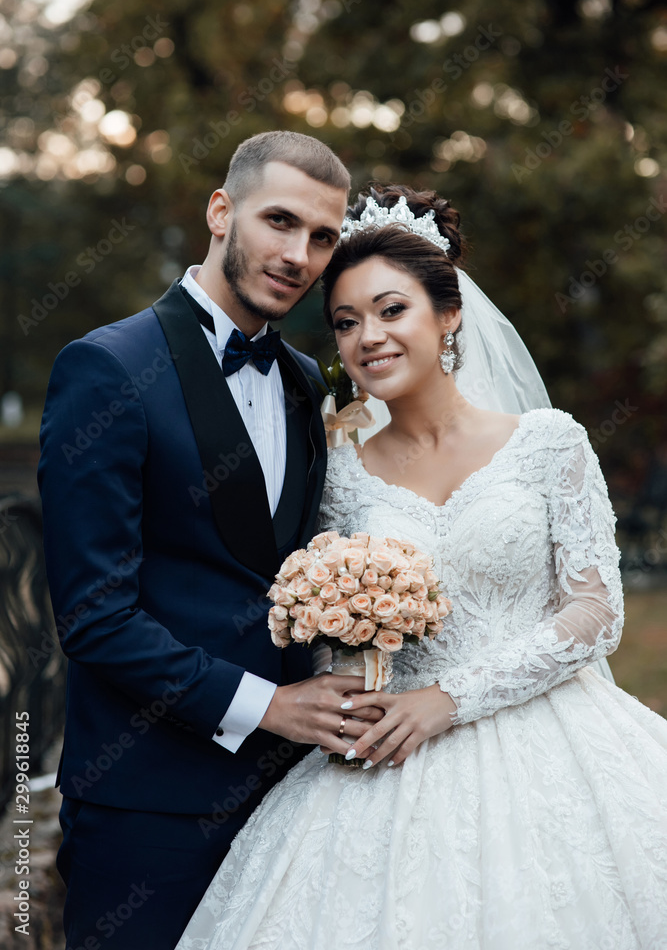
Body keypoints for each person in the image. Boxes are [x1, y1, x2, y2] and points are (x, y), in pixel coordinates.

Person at [176, 185, 667, 949]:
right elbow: (328, 627)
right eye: (346, 322)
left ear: (449, 314)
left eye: (390, 310)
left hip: (550, 737)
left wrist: (449, 700)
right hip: (387, 746)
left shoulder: (548, 442)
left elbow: (594, 613)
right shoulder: (338, 473)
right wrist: (347, 679)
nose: (367, 337)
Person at [37, 131, 386, 949]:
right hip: (148, 807)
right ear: (221, 212)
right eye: (279, 221)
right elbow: (94, 619)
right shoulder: (107, 368)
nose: (298, 256)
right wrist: (273, 708)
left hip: (293, 803)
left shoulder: (304, 380)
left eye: (322, 237)